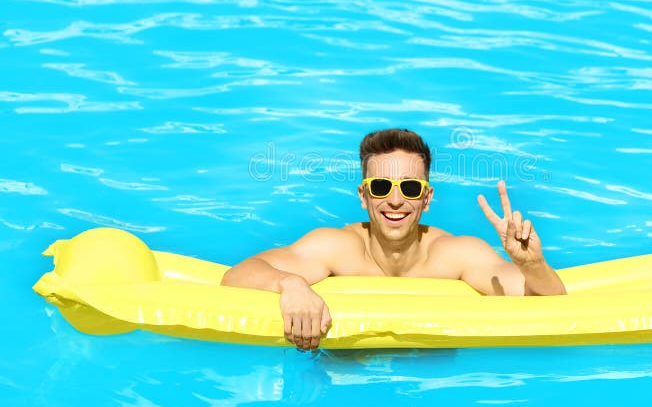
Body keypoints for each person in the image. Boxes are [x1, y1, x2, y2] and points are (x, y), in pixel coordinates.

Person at [222, 128, 566, 350]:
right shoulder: (338, 248)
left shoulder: (456, 254)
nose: (396, 200)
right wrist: (291, 284)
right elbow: (236, 276)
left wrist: (532, 264)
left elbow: (550, 304)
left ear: (426, 199)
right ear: (363, 196)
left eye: (411, 187)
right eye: (381, 187)